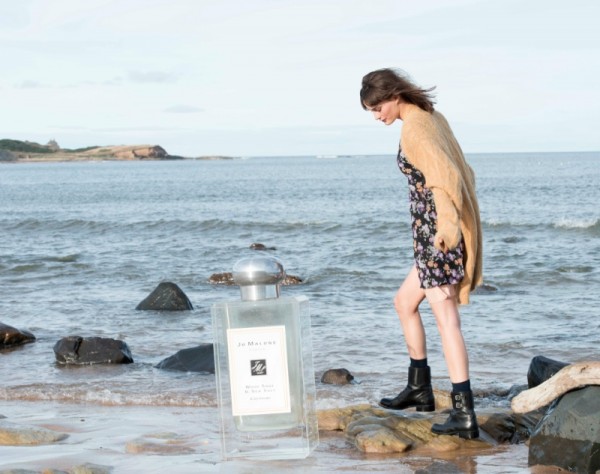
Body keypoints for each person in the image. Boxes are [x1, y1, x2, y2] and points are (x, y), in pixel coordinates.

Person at [360, 68, 483, 439]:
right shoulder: (430, 117)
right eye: (371, 110)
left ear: (394, 95)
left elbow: (446, 179)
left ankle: (464, 413)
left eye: (378, 107)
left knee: (447, 321)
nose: (376, 116)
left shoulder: (416, 128)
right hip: (430, 237)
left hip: (437, 239)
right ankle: (419, 388)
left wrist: (447, 230)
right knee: (404, 303)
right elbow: (465, 170)